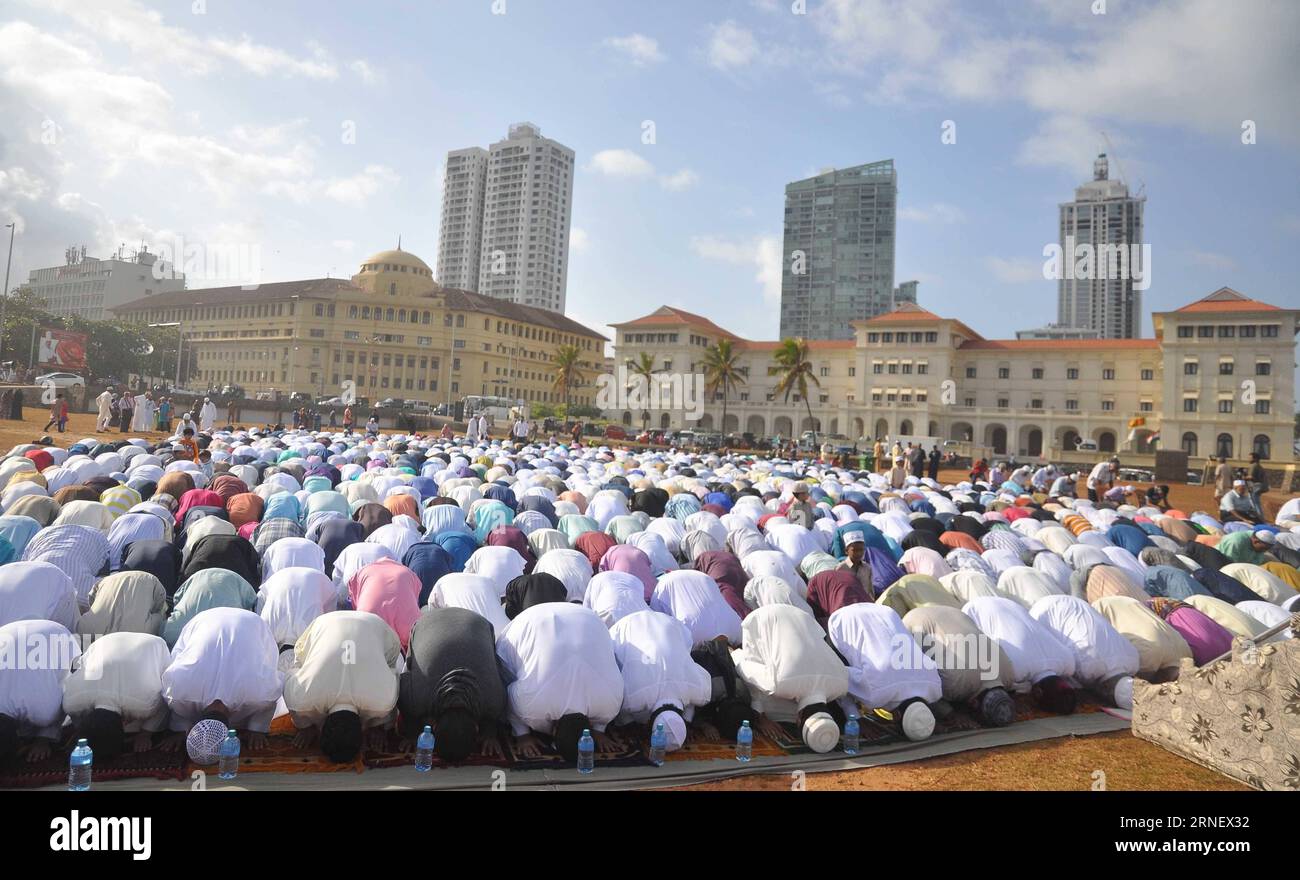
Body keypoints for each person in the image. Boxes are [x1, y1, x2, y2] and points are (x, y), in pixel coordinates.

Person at [495, 601, 625, 762]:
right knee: (506, 675)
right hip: (527, 622)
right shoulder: (531, 707)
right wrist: (523, 735)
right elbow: (510, 699)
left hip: (585, 617)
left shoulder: (611, 706)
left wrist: (599, 731)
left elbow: (604, 716)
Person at [282, 610, 401, 762]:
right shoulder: (301, 700)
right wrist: (379, 726)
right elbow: (395, 675)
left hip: (329, 623)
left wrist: (304, 726)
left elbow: (289, 675)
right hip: (367, 623)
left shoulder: (383, 702)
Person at [731, 604, 849, 753]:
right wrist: (759, 716)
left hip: (803, 616)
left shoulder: (841, 685)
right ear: (798, 717)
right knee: (754, 665)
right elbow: (747, 669)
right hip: (762, 618)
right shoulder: (780, 684)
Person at [161, 607, 283, 750]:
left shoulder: (178, 693)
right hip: (209, 620)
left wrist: (257, 730)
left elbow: (272, 682)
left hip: (237, 622)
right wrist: (179, 728)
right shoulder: (179, 692)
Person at [398, 606, 508, 761]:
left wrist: (412, 733)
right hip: (431, 623)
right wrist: (412, 733)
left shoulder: (494, 699)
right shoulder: (414, 699)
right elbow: (404, 683)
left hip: (476, 623)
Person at [608, 609, 712, 753]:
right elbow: (621, 711)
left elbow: (692, 698)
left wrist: (685, 722)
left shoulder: (700, 691)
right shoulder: (632, 698)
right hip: (625, 627)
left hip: (670, 624)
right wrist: (629, 725)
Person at [62, 631, 172, 758]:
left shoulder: (144, 705)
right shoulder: (72, 702)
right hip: (103, 642)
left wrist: (145, 734)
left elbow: (166, 698)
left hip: (153, 645)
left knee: (164, 683)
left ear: (123, 724)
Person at [0, 620, 80, 763]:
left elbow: (63, 697)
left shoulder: (43, 710)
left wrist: (43, 740)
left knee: (75, 691)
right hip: (10, 632)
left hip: (59, 637)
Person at [835, 532, 874, 598]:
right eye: (854, 550)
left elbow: (870, 591)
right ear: (846, 551)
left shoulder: (867, 568)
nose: (859, 553)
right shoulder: (841, 568)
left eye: (861, 550)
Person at [1247, 452, 1268, 519]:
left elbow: (1251, 477)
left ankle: (1259, 518)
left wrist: (1243, 477)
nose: (1248, 459)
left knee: (1254, 503)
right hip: (1260, 486)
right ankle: (1260, 517)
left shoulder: (1254, 466)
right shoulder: (1259, 466)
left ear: (1255, 458)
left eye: (1250, 458)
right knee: (1256, 502)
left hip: (1256, 486)